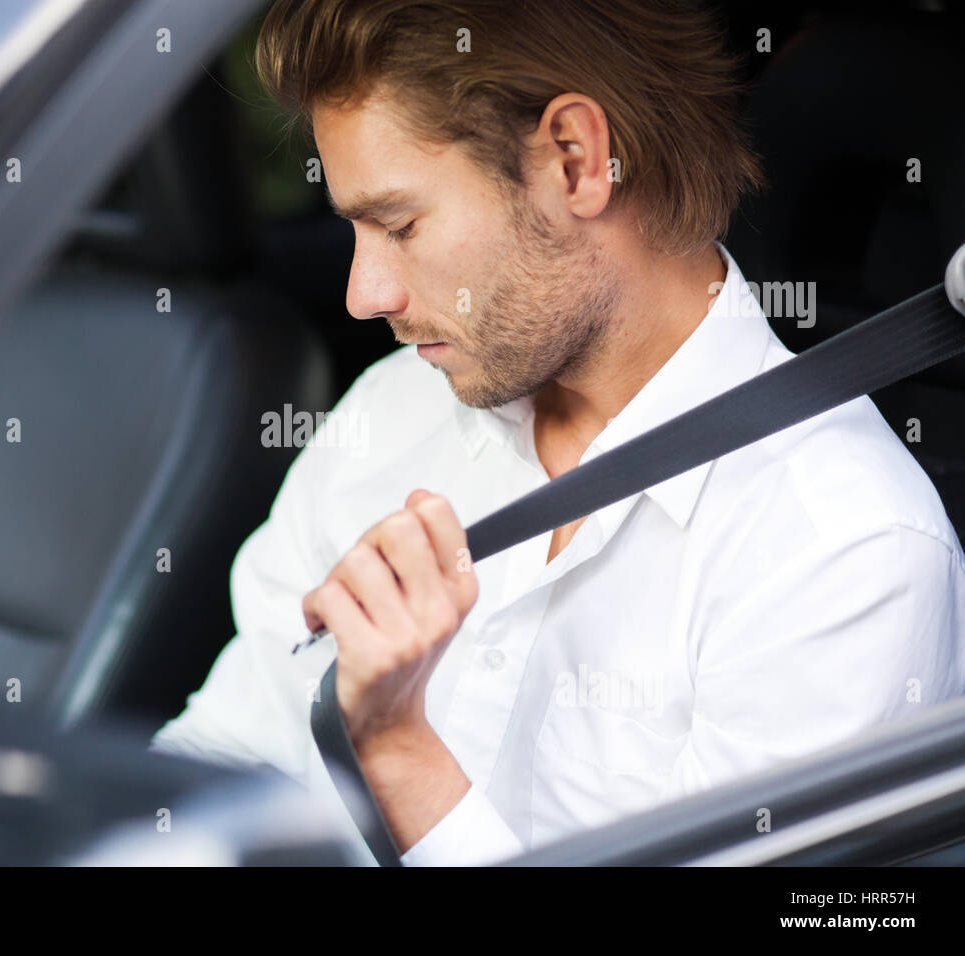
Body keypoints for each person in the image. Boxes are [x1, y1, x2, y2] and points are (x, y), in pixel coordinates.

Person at [151, 0, 965, 865]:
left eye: (398, 226)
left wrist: (398, 752)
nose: (366, 294)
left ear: (574, 161)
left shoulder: (844, 552)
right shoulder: (391, 411)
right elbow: (222, 763)